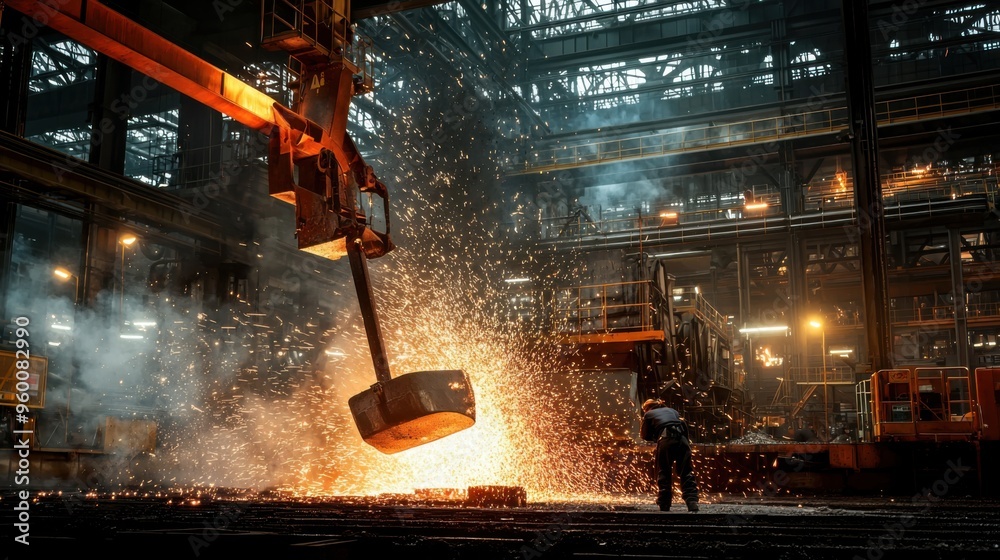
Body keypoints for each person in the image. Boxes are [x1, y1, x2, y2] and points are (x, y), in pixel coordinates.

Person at [640, 399, 699, 512]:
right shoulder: (672, 411)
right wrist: (686, 446)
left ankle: (664, 504)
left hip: (666, 440)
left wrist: (656, 438)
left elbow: (644, 435)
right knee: (686, 472)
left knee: (664, 472)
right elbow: (683, 424)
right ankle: (692, 502)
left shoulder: (649, 414)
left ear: (647, 408)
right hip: (682, 440)